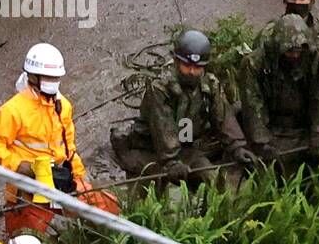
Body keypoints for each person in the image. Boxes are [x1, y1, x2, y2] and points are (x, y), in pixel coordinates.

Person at [0, 43, 118, 236]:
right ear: (32, 76)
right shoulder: (13, 110)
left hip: (61, 178)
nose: (53, 82)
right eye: (48, 78)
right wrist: (19, 165)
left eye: (56, 78)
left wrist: (80, 179)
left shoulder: (63, 106)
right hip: (28, 188)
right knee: (33, 236)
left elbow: (69, 148)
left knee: (108, 208)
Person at [110, 30, 256, 191]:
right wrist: (172, 161)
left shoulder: (210, 84)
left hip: (187, 147)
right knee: (157, 188)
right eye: (187, 66)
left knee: (211, 179)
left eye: (197, 67)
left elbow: (223, 118)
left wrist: (238, 147)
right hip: (153, 148)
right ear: (176, 61)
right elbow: (162, 126)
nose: (192, 72)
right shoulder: (160, 88)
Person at [240, 12, 319, 170]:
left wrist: (318, 134)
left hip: (303, 128)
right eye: (289, 52)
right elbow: (253, 107)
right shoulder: (254, 64)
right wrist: (263, 144)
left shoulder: (312, 59)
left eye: (299, 52)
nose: (295, 56)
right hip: (272, 130)